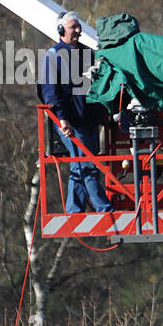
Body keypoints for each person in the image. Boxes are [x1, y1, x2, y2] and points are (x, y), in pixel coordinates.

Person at [40, 12, 113, 215]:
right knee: (86, 163)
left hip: (88, 120)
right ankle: (104, 208)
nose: (79, 31)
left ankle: (74, 210)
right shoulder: (53, 56)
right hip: (70, 122)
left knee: (79, 164)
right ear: (62, 30)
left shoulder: (88, 54)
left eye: (79, 26)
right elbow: (50, 91)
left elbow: (98, 86)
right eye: (74, 27)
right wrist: (62, 119)